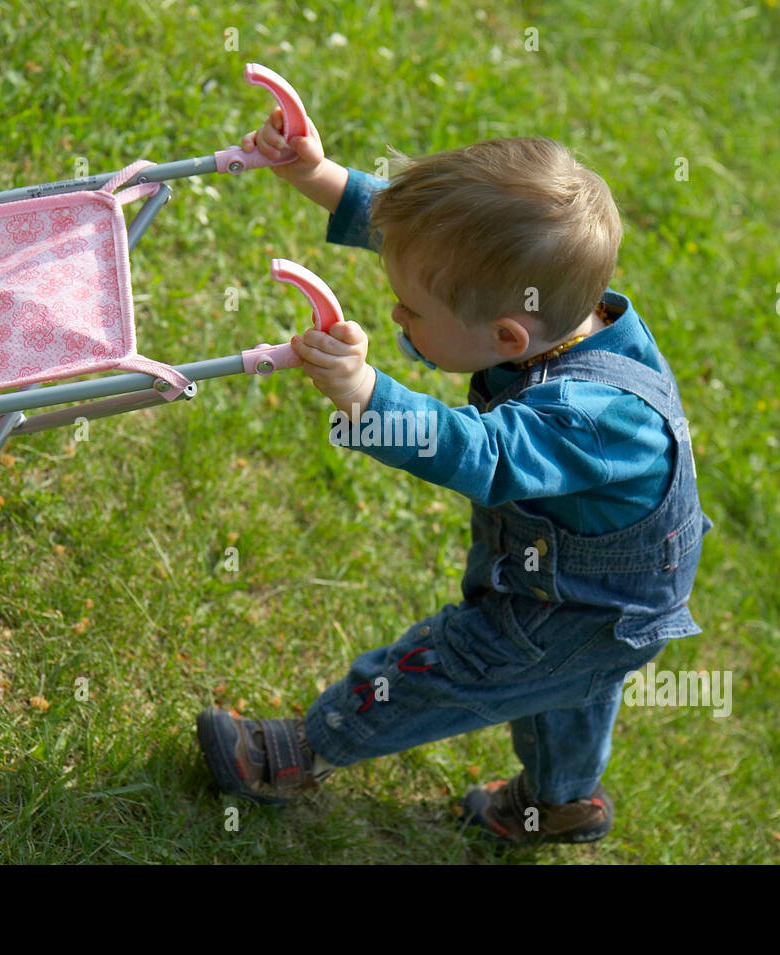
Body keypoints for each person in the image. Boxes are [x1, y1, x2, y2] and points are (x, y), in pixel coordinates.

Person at [196, 106, 712, 845]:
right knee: (566, 695)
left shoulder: (593, 415)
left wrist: (369, 396)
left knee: (440, 667)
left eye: (410, 313)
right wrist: (319, 175)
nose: (396, 315)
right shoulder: (549, 306)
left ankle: (297, 753)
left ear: (507, 338)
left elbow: (484, 453)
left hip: (569, 612)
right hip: (602, 608)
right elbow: (433, 242)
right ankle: (560, 801)